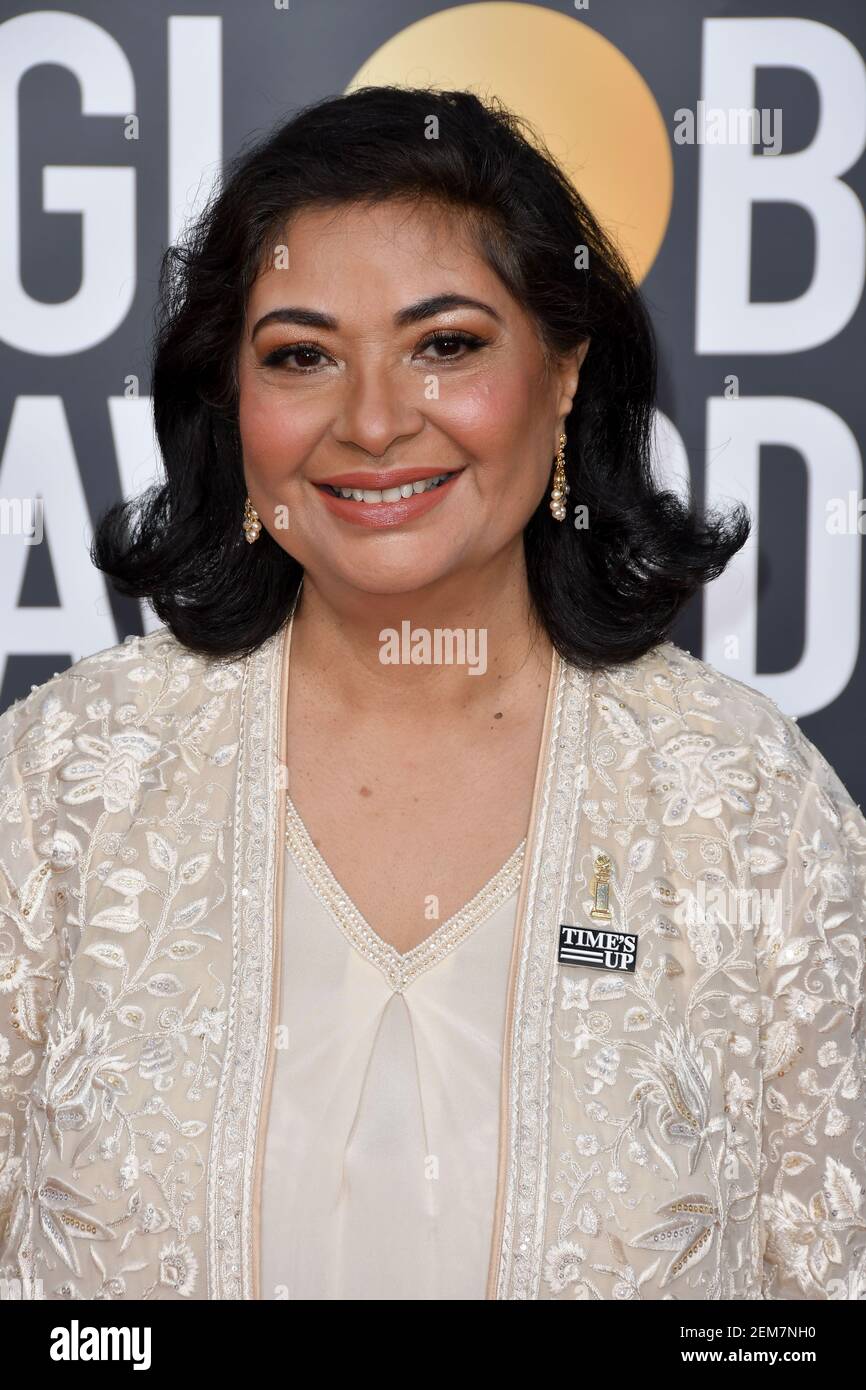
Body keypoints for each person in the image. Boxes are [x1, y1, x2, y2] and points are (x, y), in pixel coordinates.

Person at [0, 86, 863, 1302]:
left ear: (564, 374)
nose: (370, 420)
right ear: (229, 407)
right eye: (301, 356)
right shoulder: (58, 788)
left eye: (444, 345)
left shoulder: (746, 805)